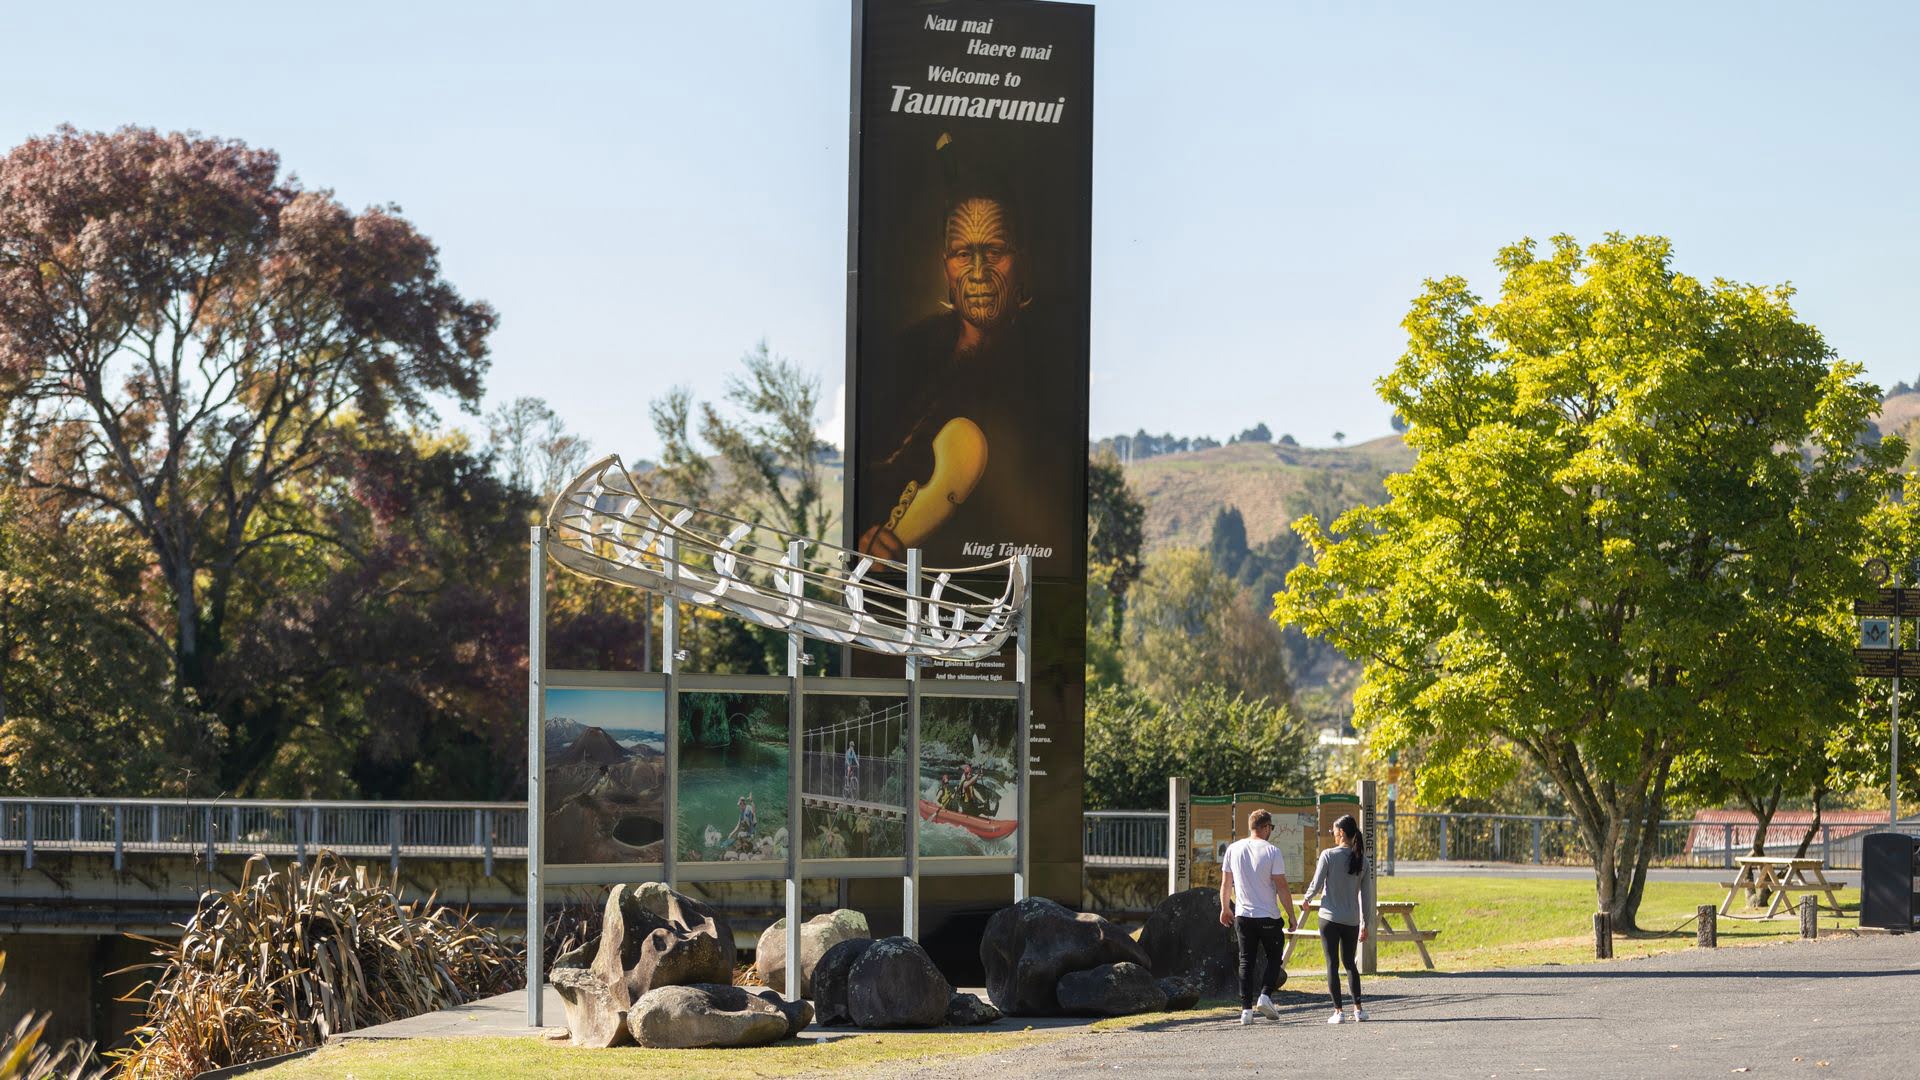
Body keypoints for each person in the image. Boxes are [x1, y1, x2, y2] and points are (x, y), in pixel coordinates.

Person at [1218, 809, 1299, 1026]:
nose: (1271, 831)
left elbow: (1226, 883)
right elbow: (1281, 886)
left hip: (1243, 914)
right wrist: (1291, 915)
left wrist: (1225, 908)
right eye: (1270, 827)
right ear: (1264, 827)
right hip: (1268, 915)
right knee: (1274, 957)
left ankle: (1246, 1010)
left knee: (1246, 960)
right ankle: (1264, 995)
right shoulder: (1272, 851)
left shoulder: (1233, 849)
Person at [1302, 814, 1369, 1024]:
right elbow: (1365, 896)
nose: (1332, 835)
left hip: (1329, 917)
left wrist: (1307, 899)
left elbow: (1317, 883)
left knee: (1332, 963)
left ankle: (1338, 1012)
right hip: (1351, 919)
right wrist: (1365, 923)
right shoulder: (1362, 859)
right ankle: (1358, 1009)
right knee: (1350, 963)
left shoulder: (1328, 855)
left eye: (1333, 831)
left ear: (1341, 833)